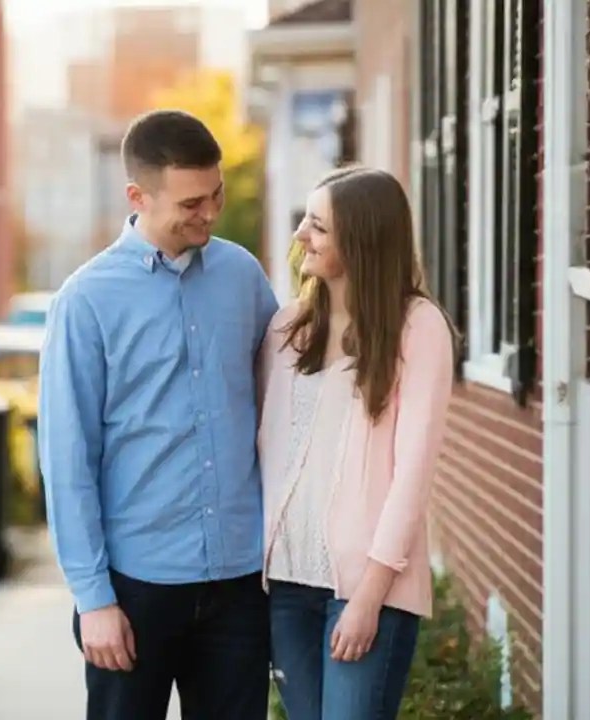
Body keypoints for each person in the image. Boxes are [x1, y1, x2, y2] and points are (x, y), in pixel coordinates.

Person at [38, 108, 279, 720]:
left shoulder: (243, 277)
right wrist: (93, 599)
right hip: (135, 589)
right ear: (137, 196)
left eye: (215, 194)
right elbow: (67, 461)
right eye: (192, 202)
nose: (209, 212)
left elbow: (283, 404)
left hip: (239, 583)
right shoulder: (86, 300)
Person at [257, 165, 457, 720]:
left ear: (361, 237)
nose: (301, 235)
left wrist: (370, 597)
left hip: (366, 588)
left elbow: (411, 476)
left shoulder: (418, 328)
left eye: (317, 226)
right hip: (289, 585)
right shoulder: (288, 328)